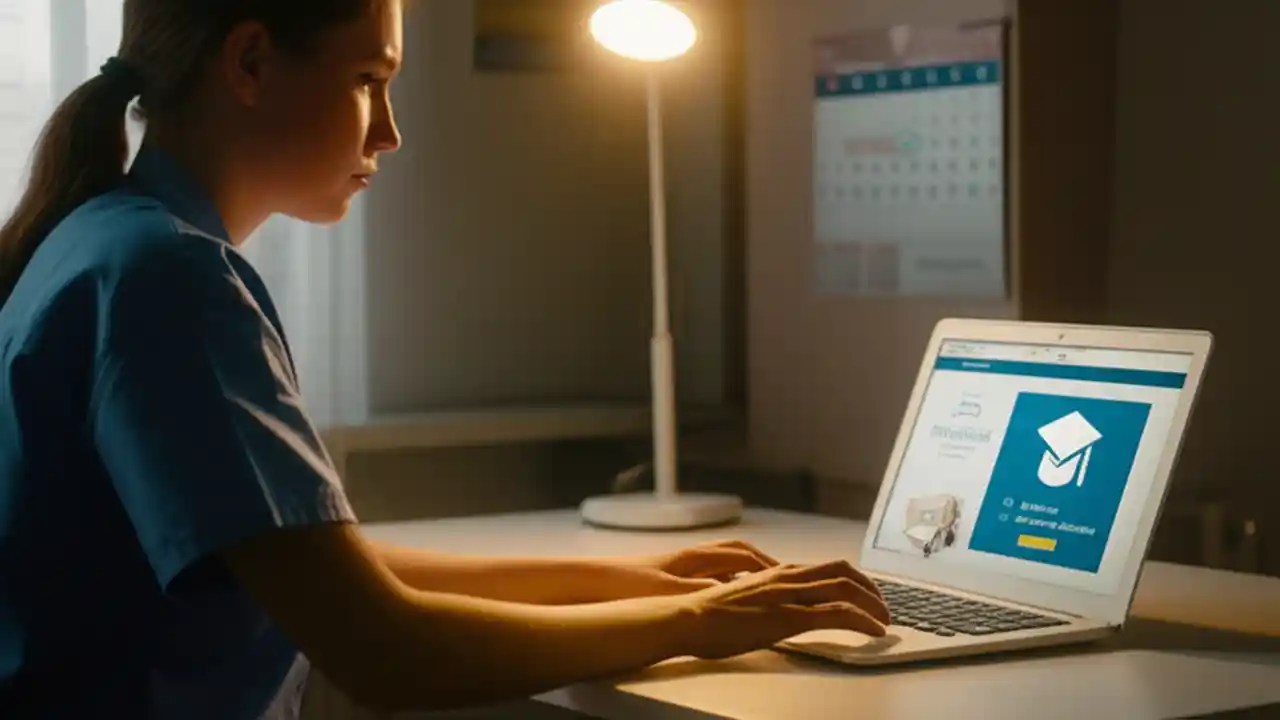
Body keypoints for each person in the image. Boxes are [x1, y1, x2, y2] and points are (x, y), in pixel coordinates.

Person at [0, 1, 890, 717]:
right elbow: (385, 648)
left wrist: (636, 580)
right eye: (367, 80)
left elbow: (332, 575)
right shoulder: (169, 279)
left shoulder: (106, 244)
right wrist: (699, 620)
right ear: (250, 62)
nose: (388, 132)